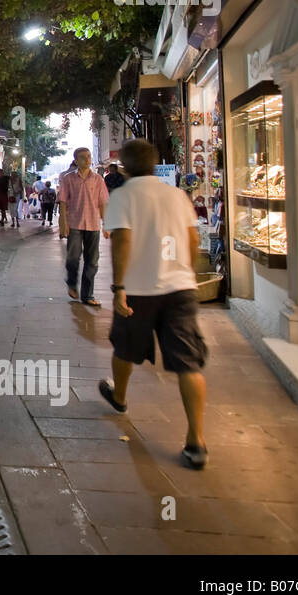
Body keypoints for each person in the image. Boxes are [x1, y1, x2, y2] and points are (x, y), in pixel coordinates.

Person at [101, 139, 210, 469]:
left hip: (137, 289)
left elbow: (122, 241)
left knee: (124, 347)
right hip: (179, 290)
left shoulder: (123, 196)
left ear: (124, 167)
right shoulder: (176, 195)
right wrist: (185, 275)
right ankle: (196, 440)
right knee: (188, 362)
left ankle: (119, 397)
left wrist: (118, 286)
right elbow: (192, 239)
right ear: (155, 163)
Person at [57, 147, 109, 308]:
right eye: (83, 157)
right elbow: (63, 202)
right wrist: (63, 223)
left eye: (88, 156)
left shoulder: (98, 179)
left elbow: (102, 203)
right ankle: (72, 282)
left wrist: (106, 224)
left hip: (93, 224)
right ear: (76, 160)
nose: (87, 159)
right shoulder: (69, 179)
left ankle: (88, 294)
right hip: (74, 223)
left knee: (92, 260)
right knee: (73, 257)